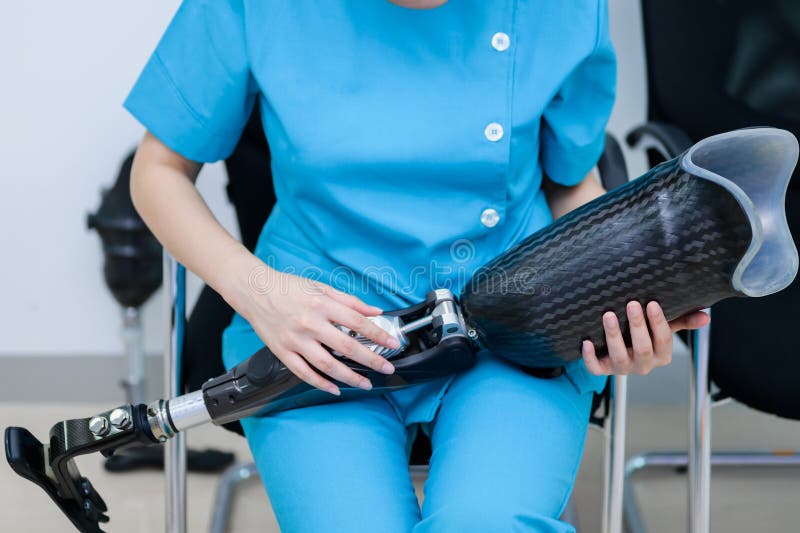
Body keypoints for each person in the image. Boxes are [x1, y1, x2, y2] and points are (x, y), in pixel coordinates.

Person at [126, 1, 709, 531]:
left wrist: (618, 294)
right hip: (318, 332)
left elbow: (570, 181)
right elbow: (158, 172)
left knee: (487, 524)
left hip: (515, 318)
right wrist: (261, 292)